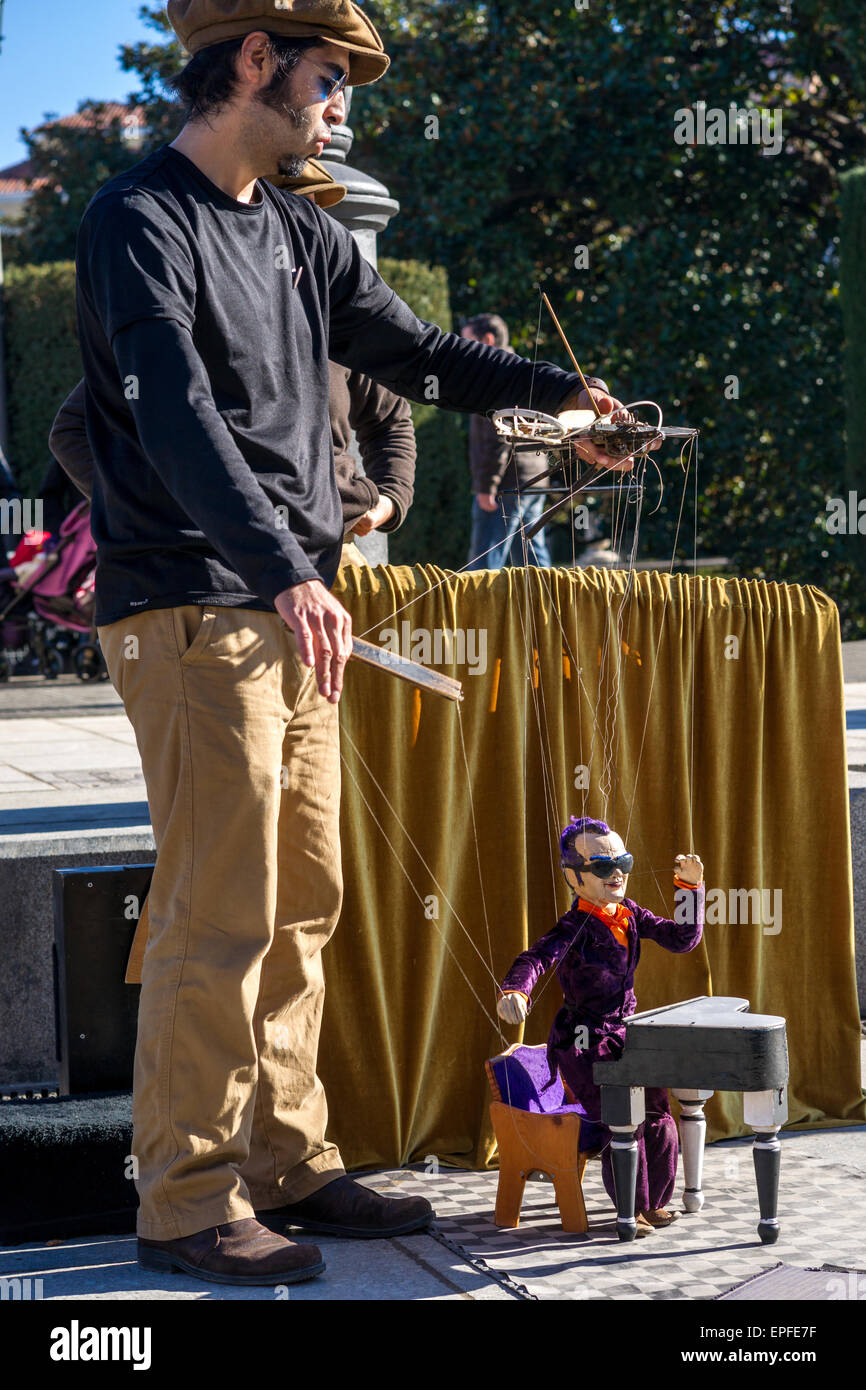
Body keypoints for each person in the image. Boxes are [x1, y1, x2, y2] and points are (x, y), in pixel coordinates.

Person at [75, 0, 629, 1289]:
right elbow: (175, 420)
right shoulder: (135, 221)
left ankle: (285, 1160)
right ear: (254, 61)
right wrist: (283, 569)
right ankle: (187, 1198)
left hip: (288, 605)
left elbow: (417, 357)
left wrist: (560, 401)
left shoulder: (302, 234)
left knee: (303, 901)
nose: (341, 108)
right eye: (328, 79)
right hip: (197, 607)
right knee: (220, 915)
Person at [50, 159, 417, 571]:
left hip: (335, 555)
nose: (312, 235)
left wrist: (388, 500)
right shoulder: (200, 319)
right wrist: (155, 515)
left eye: (316, 216)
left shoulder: (335, 319)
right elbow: (72, 430)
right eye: (296, 213)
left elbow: (391, 418)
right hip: (222, 568)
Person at [497, 816, 704, 1236]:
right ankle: (631, 1210)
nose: (618, 874)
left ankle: (653, 1204)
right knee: (621, 1118)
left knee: (658, 1111)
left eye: (623, 861)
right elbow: (536, 958)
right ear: (574, 877)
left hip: (627, 1033)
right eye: (604, 866)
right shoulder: (574, 927)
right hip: (583, 1041)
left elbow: (682, 938)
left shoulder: (629, 913)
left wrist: (691, 890)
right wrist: (515, 991)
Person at [462, 313, 609, 570]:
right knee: (533, 555)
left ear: (487, 339)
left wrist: (487, 485)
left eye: (467, 342)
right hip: (533, 477)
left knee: (484, 562)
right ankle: (551, 607)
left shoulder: (491, 375)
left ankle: (476, 611)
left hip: (507, 482)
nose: (463, 350)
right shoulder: (521, 372)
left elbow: (499, 435)